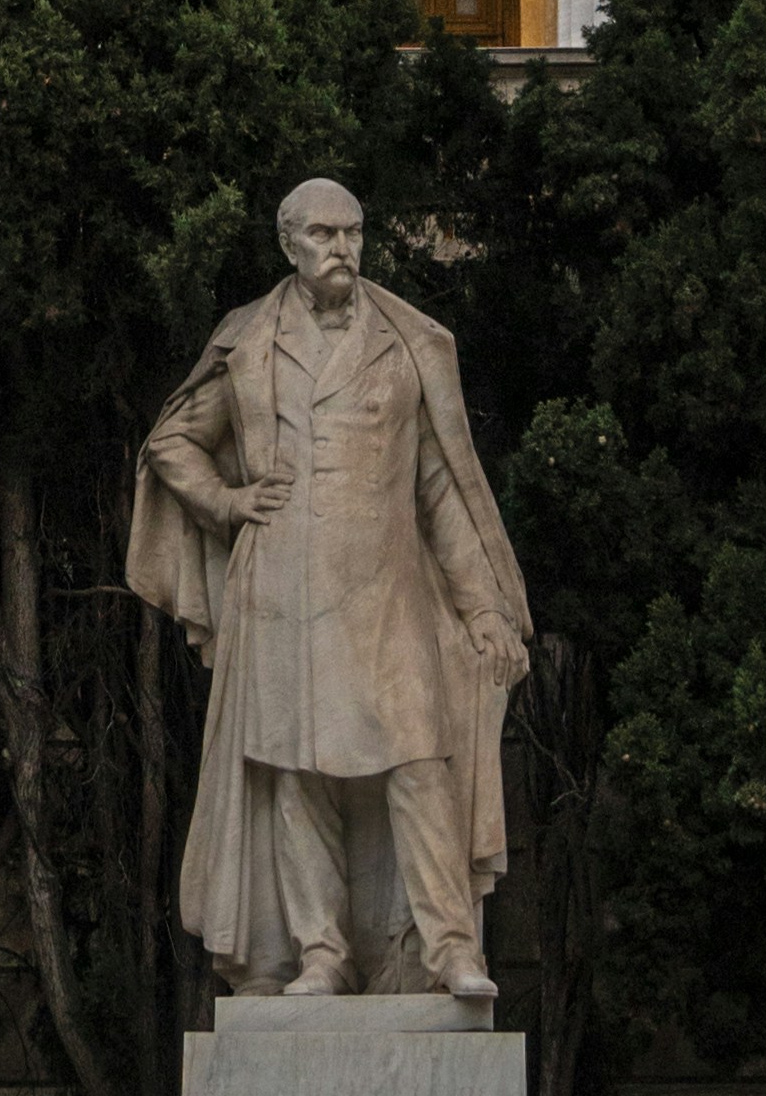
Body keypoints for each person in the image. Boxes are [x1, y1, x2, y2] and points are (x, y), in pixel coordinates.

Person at [129, 173, 532, 1004]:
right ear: (289, 244)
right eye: (323, 234)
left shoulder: (408, 341)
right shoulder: (248, 338)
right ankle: (321, 954)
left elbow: (441, 490)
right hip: (280, 588)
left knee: (419, 759)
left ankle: (450, 948)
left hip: (389, 591)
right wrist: (228, 503)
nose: (342, 248)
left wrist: (484, 606)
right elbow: (172, 442)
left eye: (352, 232)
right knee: (294, 774)